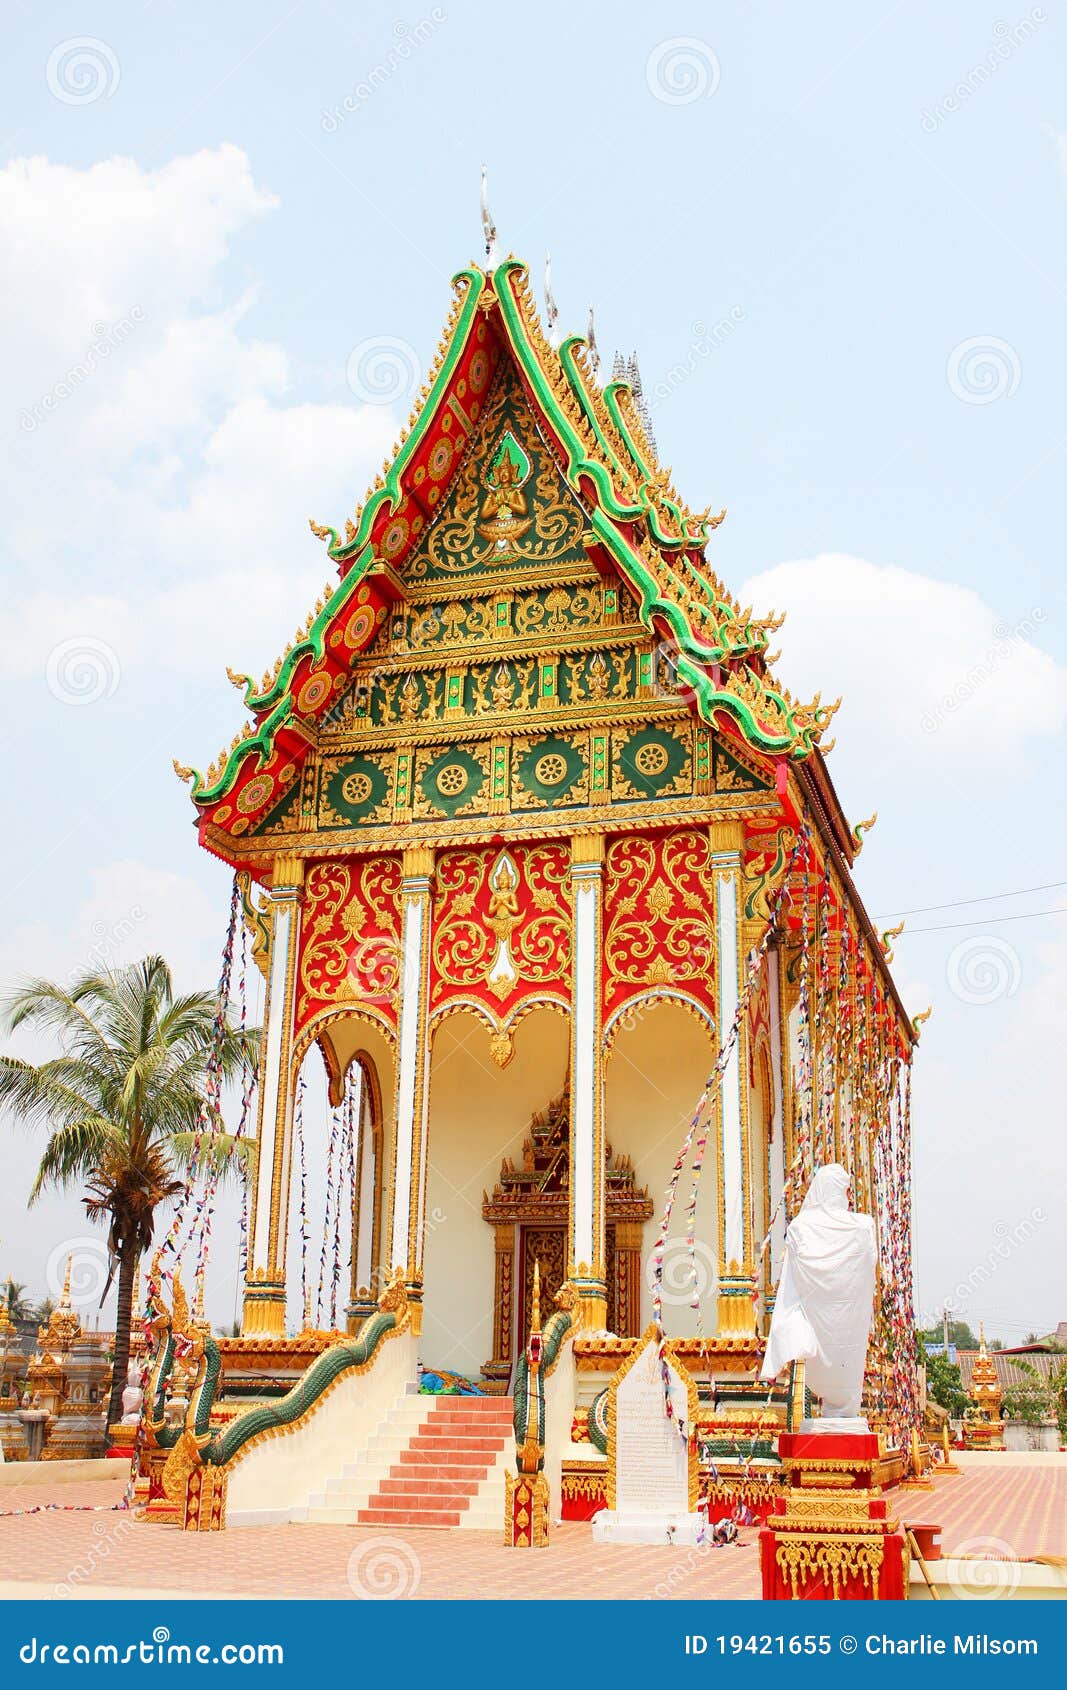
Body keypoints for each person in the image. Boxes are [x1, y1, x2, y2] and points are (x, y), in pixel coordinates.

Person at [760, 1163, 876, 1430]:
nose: (846, 1197)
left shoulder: (801, 1228)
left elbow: (792, 1281)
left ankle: (842, 1408)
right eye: (844, 1190)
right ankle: (845, 1407)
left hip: (833, 1319)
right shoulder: (862, 1227)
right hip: (847, 1322)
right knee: (847, 1355)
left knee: (838, 1354)